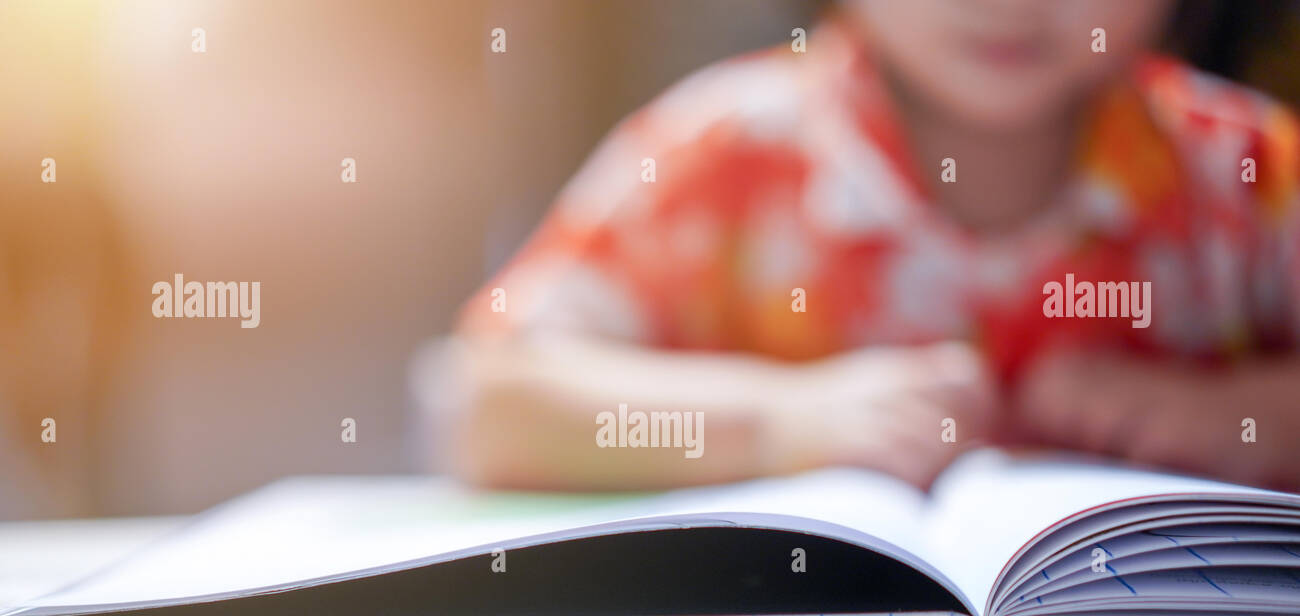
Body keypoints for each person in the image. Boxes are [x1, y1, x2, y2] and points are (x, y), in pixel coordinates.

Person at [435, 0, 1300, 491]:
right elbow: (486, 405)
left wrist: (1247, 416)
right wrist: (778, 426)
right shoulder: (732, 152)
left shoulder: (1244, 169)